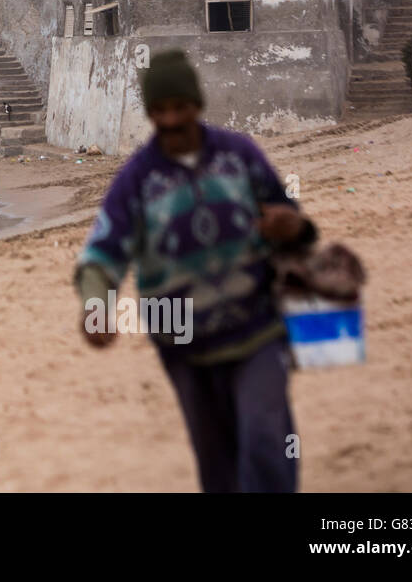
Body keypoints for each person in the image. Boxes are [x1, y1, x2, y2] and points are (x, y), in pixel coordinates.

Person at [75, 49, 316, 492]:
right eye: (159, 110)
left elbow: (294, 221)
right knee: (216, 460)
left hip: (258, 328)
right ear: (150, 114)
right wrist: (95, 303)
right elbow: (103, 253)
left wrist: (292, 224)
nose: (170, 119)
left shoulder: (239, 155)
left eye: (179, 107)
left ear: (197, 106)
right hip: (182, 343)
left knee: (267, 440)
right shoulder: (137, 180)